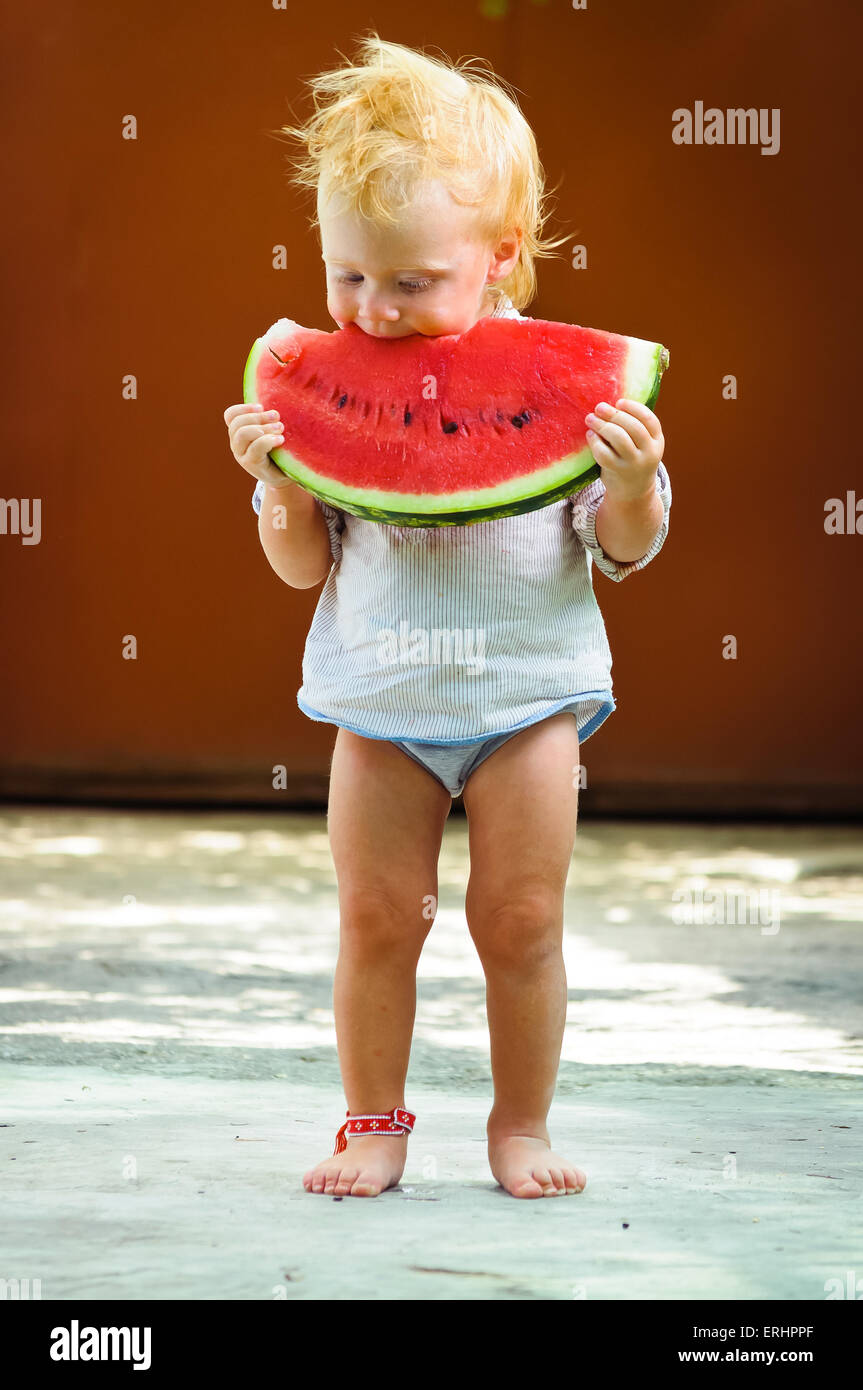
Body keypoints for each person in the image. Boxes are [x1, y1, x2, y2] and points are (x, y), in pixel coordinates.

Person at [224, 33, 672, 1199]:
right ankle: (372, 1123)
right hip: (378, 706)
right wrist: (277, 483)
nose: (370, 313)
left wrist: (627, 486)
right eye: (346, 277)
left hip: (525, 704)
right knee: (376, 919)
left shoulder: (564, 400)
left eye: (409, 282)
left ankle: (517, 1126)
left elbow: (620, 550)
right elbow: (295, 568)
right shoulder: (328, 388)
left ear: (499, 257)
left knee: (520, 921)